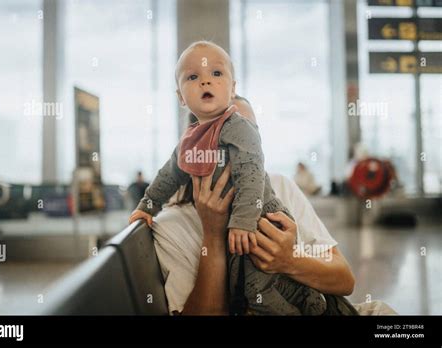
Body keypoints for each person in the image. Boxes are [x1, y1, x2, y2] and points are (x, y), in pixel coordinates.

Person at [130, 40, 358, 315]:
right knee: (253, 291)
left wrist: (287, 257)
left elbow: (344, 279)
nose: (205, 82)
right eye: (193, 77)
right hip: (240, 245)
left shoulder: (275, 177)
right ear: (181, 97)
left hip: (261, 220)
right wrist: (148, 205)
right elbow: (169, 173)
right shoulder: (172, 217)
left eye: (216, 74)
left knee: (260, 286)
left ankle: (312, 303)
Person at [151, 94, 397, 316]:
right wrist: (213, 236)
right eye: (229, 138)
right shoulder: (170, 226)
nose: (245, 152)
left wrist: (289, 260)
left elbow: (344, 281)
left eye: (251, 137)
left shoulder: (280, 187)